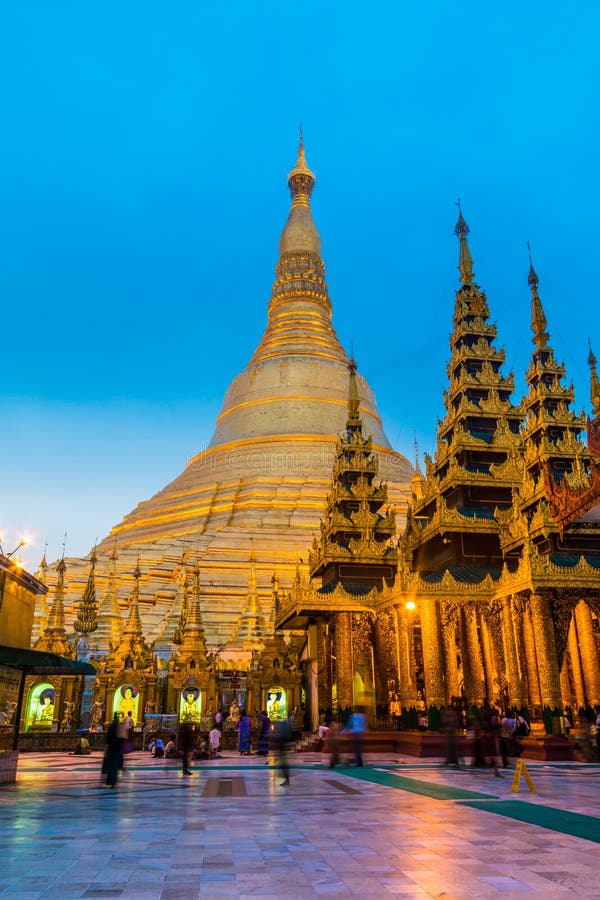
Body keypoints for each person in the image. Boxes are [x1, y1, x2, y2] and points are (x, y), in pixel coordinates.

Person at [102, 714, 124, 787]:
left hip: (111, 749)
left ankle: (110, 781)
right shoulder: (119, 728)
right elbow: (122, 740)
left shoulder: (111, 728)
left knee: (111, 766)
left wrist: (105, 751)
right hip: (117, 749)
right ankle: (113, 782)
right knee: (114, 766)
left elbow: (107, 741)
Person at [272, 715, 292, 785]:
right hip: (281, 747)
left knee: (283, 763)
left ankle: (287, 780)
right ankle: (286, 779)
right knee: (282, 763)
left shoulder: (279, 726)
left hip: (281, 746)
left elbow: (276, 736)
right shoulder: (281, 725)